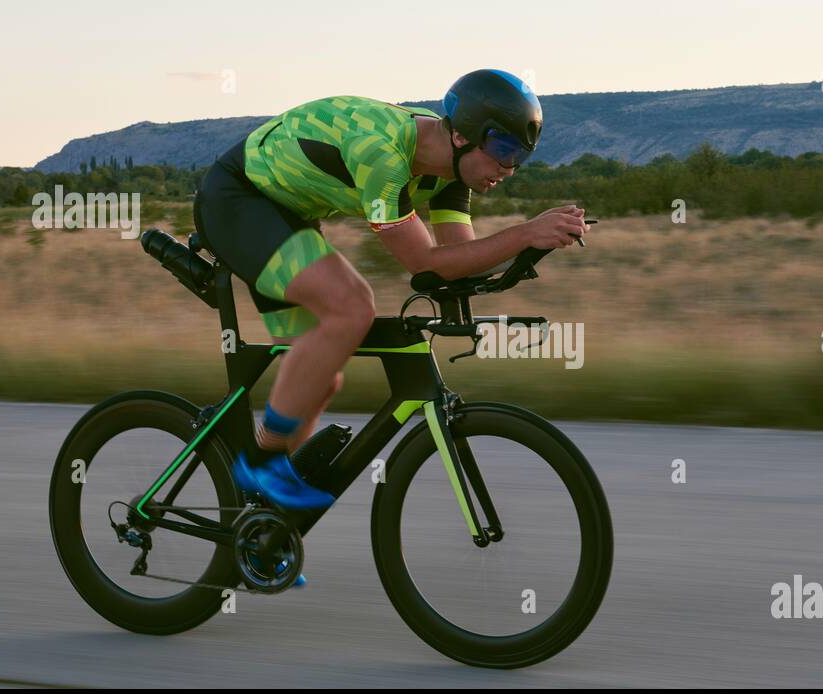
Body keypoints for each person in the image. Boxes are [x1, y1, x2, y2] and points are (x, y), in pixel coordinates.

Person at [193, 68, 589, 510]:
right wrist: (525, 233)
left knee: (320, 377)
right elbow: (423, 263)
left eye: (520, 156)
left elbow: (458, 261)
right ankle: (259, 463)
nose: (509, 168)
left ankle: (260, 521)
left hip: (286, 214)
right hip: (238, 199)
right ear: (462, 137)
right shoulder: (382, 156)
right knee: (352, 308)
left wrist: (534, 249)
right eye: (502, 149)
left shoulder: (449, 171)